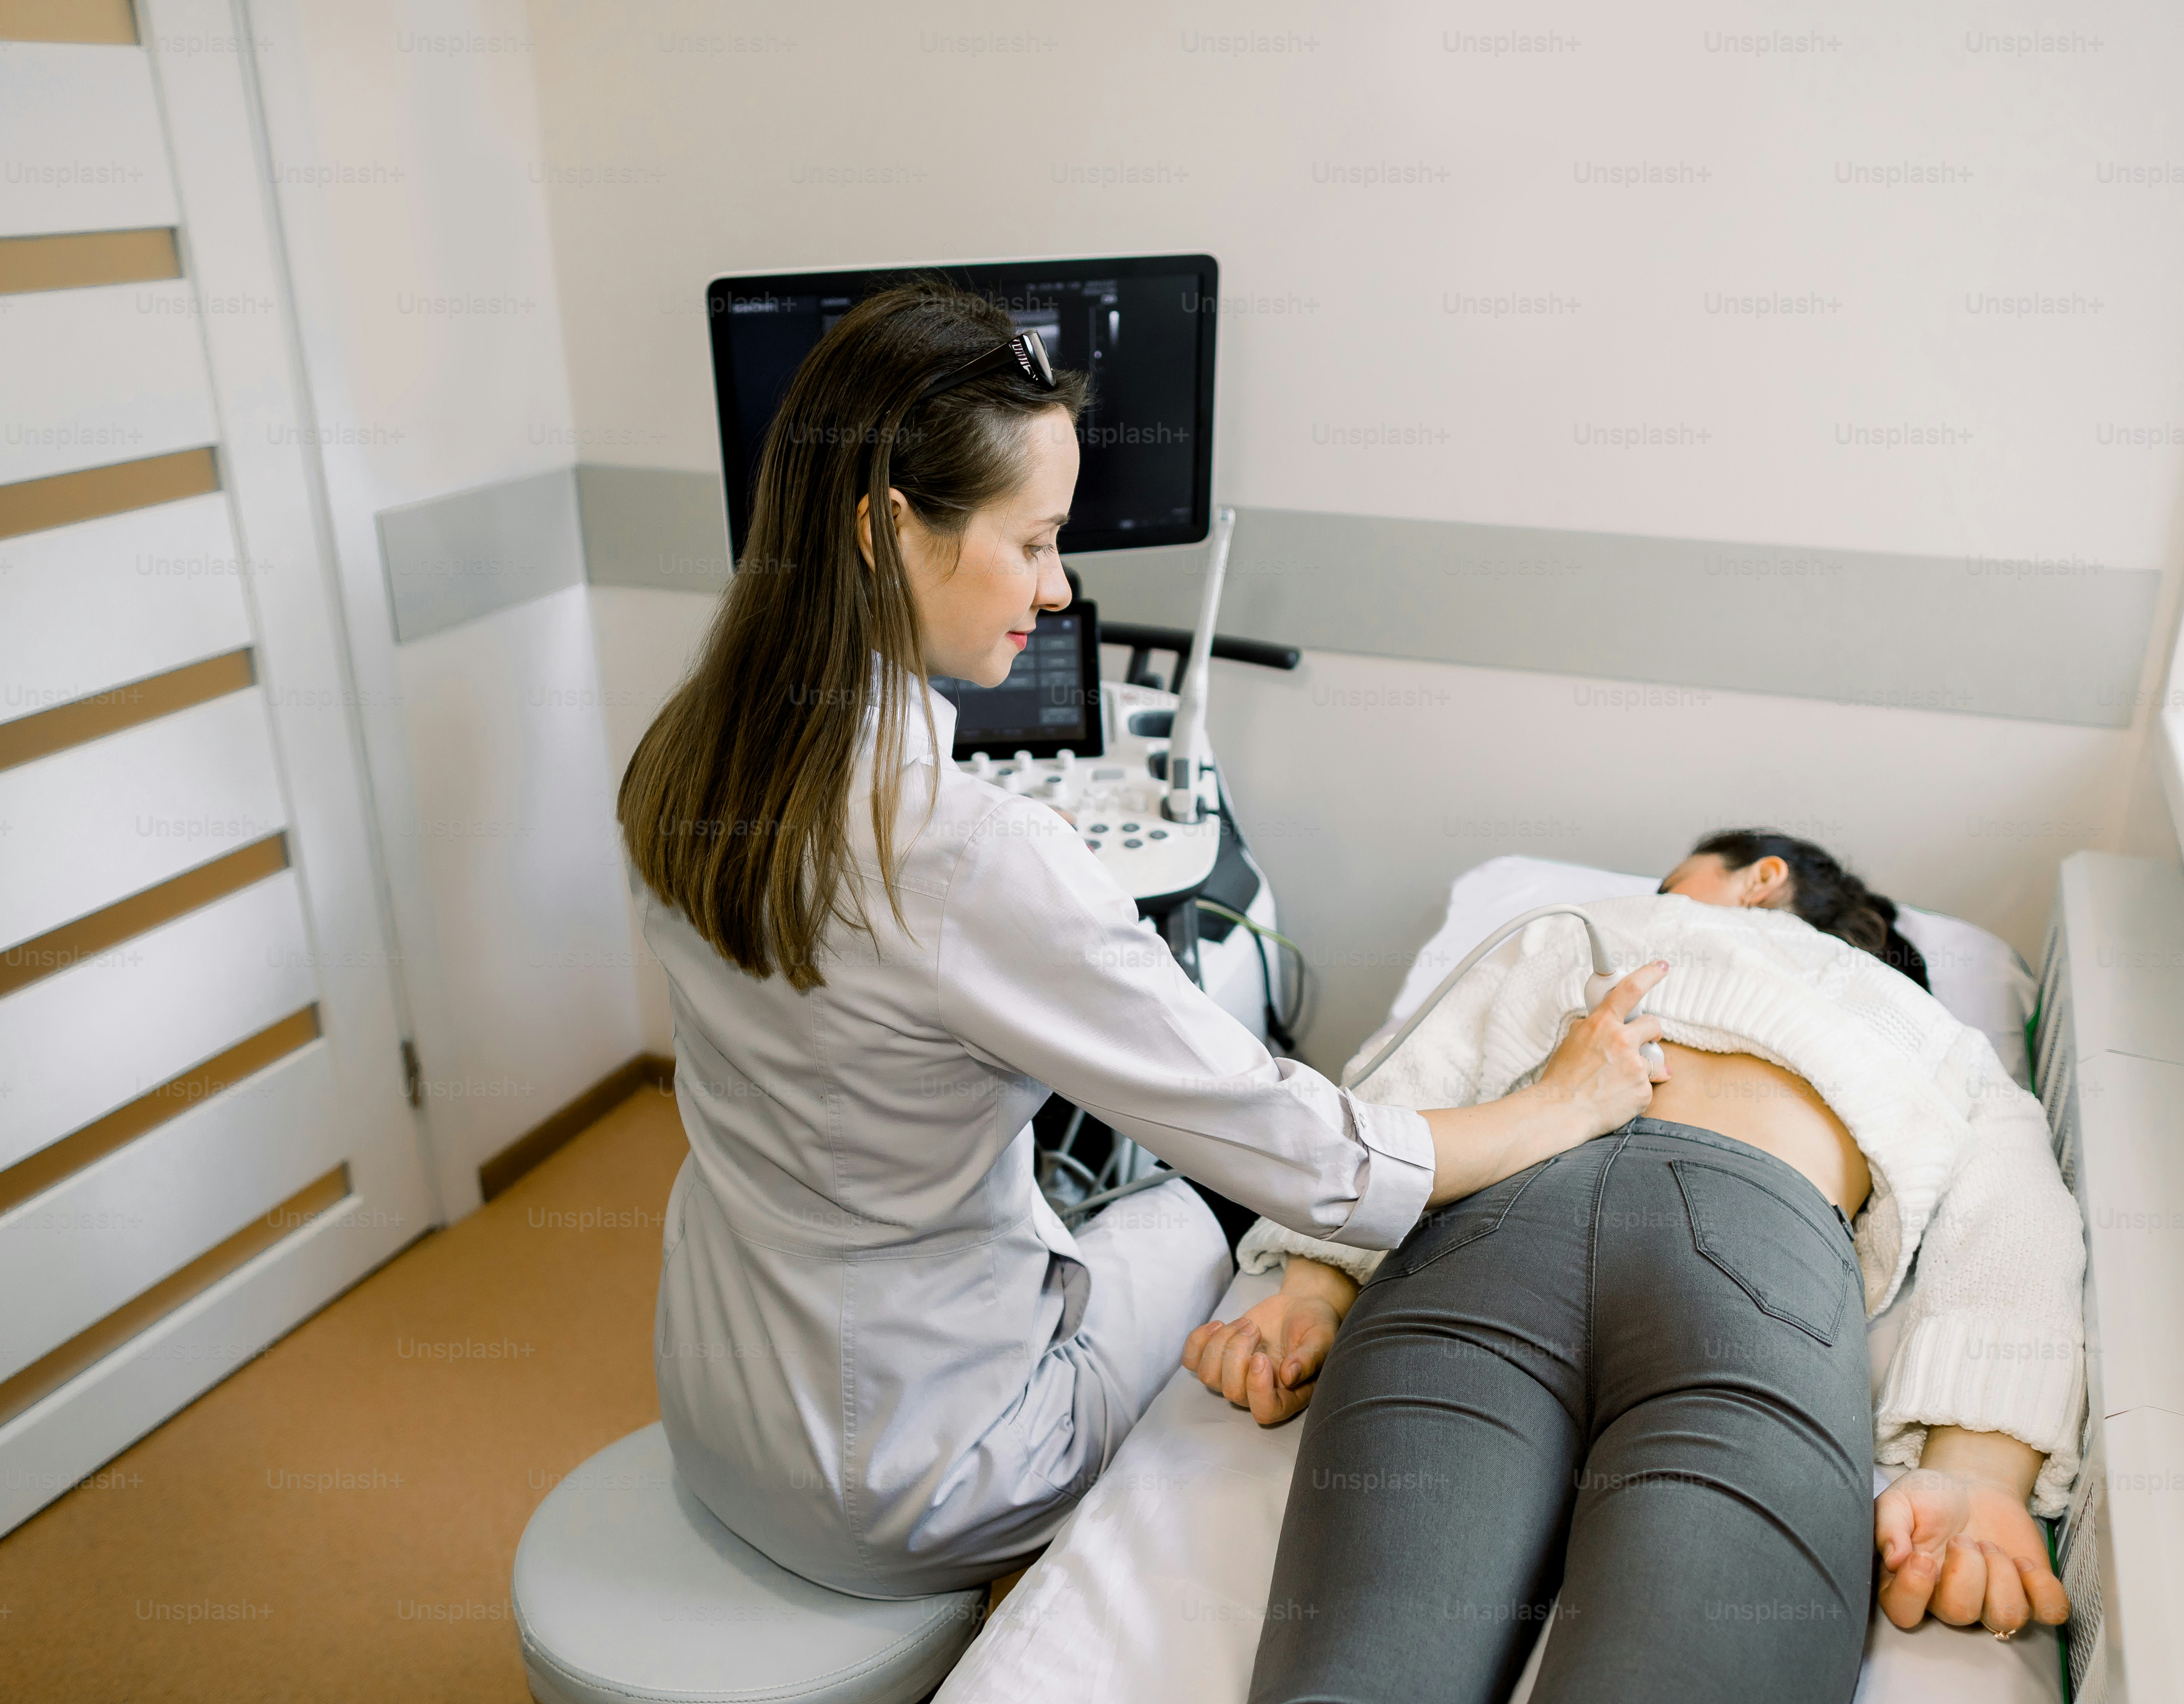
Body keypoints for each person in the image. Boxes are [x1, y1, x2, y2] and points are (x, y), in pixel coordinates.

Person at [614, 281, 1670, 1600]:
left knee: (1098, 1165)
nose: (1056, 592)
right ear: (887, 530)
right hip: (917, 1472)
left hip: (722, 1410)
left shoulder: (684, 750)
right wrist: (1560, 1102)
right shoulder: (966, 853)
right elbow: (1317, 1165)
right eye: (1035, 541)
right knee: (1199, 1193)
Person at [1185, 831, 2086, 1704]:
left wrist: (1316, 1284)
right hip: (1754, 1265)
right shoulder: (1944, 1041)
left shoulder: (1592, 930)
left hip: (1491, 1231)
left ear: (1760, 878)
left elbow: (1410, 1078)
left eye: (1674, 876)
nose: (1658, 890)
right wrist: (1976, 1473)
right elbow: (2016, 1227)